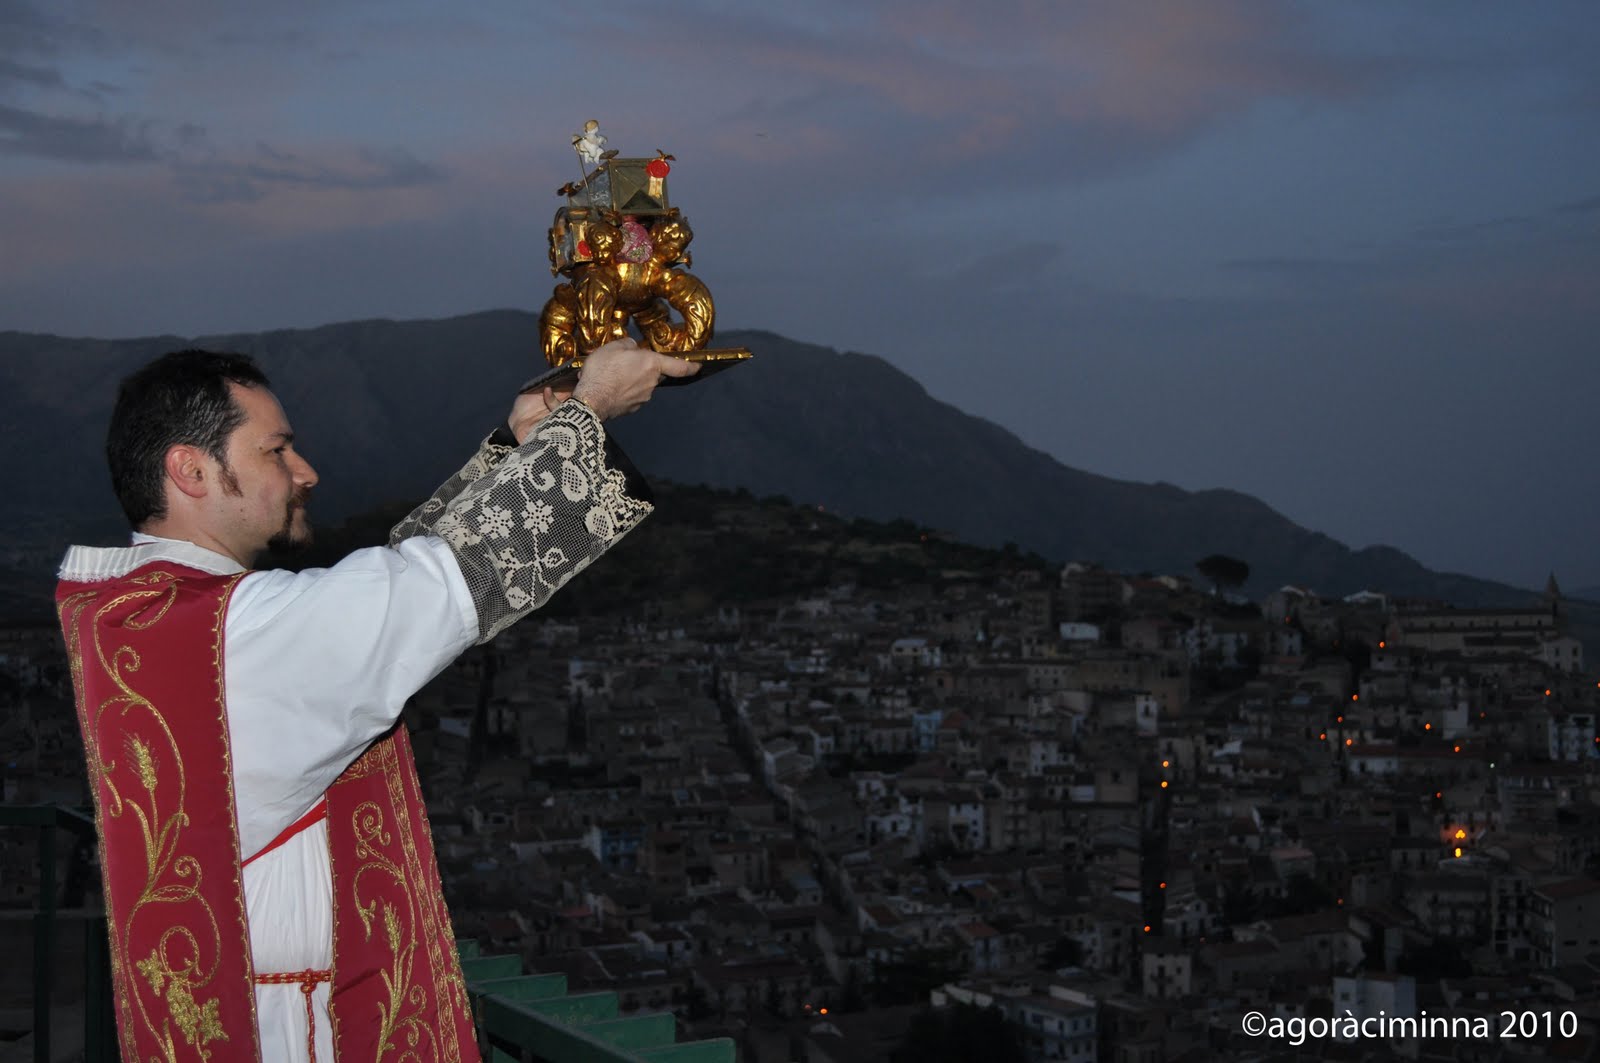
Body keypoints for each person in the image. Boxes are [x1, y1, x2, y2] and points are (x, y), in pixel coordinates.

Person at [56, 340, 696, 1062]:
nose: (306, 471)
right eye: (276, 451)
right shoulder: (233, 634)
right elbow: (434, 588)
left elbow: (383, 591)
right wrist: (589, 413)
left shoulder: (160, 622)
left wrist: (520, 446)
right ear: (191, 469)